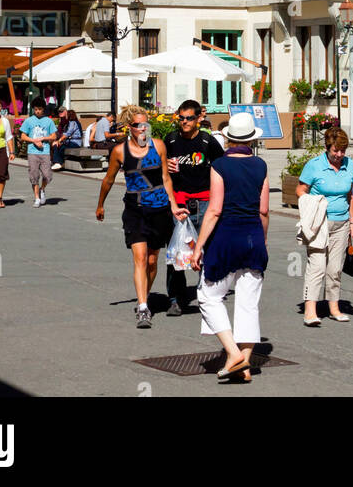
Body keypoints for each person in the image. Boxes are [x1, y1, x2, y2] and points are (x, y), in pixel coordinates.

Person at [191, 111, 269, 383]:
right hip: (253, 236)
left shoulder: (220, 166)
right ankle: (244, 365)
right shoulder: (261, 165)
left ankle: (233, 353)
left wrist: (199, 245)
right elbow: (264, 210)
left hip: (226, 236)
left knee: (209, 296)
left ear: (227, 138)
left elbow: (214, 210)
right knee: (248, 304)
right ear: (251, 139)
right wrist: (263, 240)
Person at [96, 106, 186, 328]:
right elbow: (108, 180)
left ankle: (143, 295)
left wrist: (174, 205)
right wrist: (100, 205)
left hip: (160, 209)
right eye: (138, 125)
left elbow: (166, 177)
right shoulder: (120, 151)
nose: (143, 128)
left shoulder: (158, 145)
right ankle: (144, 308)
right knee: (141, 258)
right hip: (135, 209)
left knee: (153, 261)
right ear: (130, 128)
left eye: (146, 124)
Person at [164, 99, 222, 315]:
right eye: (181, 118)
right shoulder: (170, 140)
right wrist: (166, 166)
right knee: (177, 251)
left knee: (206, 250)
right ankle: (175, 299)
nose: (184, 122)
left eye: (189, 118)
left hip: (205, 202)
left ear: (199, 119)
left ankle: (207, 295)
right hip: (180, 203)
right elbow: (161, 168)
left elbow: (220, 168)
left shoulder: (207, 141)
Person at [297, 126, 353, 325]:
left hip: (341, 223)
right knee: (317, 267)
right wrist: (313, 204)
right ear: (327, 147)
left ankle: (334, 307)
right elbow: (301, 190)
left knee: (335, 269)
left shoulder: (348, 165)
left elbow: (349, 194)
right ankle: (310, 311)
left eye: (342, 151)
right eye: (335, 151)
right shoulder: (314, 165)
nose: (339, 155)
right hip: (319, 223)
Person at [19, 99, 58, 207]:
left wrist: (44, 138)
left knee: (47, 175)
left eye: (39, 109)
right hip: (32, 152)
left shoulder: (48, 121)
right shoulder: (29, 121)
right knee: (34, 175)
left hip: (45, 152)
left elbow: (54, 136)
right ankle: (37, 198)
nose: (37, 111)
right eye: (35, 109)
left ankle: (42, 189)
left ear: (43, 109)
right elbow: (23, 136)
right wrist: (34, 141)